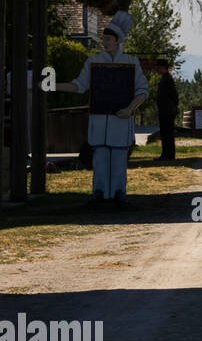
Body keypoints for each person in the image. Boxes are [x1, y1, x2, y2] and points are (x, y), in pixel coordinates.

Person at [56, 10, 149, 207]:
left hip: (120, 121)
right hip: (99, 122)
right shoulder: (93, 62)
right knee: (99, 160)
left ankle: (118, 192)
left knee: (118, 160)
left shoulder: (131, 63)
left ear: (117, 41)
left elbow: (142, 91)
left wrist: (129, 109)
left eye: (107, 39)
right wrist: (54, 85)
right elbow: (79, 85)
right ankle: (98, 192)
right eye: (104, 39)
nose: (104, 42)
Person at [155, 58, 179, 161]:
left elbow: (174, 95)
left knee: (167, 134)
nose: (156, 69)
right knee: (165, 134)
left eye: (158, 67)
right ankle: (166, 154)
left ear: (162, 67)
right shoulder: (165, 78)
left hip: (167, 111)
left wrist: (173, 107)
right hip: (165, 110)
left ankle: (169, 155)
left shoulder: (167, 79)